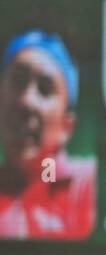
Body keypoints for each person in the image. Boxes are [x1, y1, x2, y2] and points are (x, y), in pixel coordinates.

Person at [0, 30, 95, 240]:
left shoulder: (90, 188)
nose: (26, 101)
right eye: (17, 81)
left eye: (44, 89)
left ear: (66, 126)